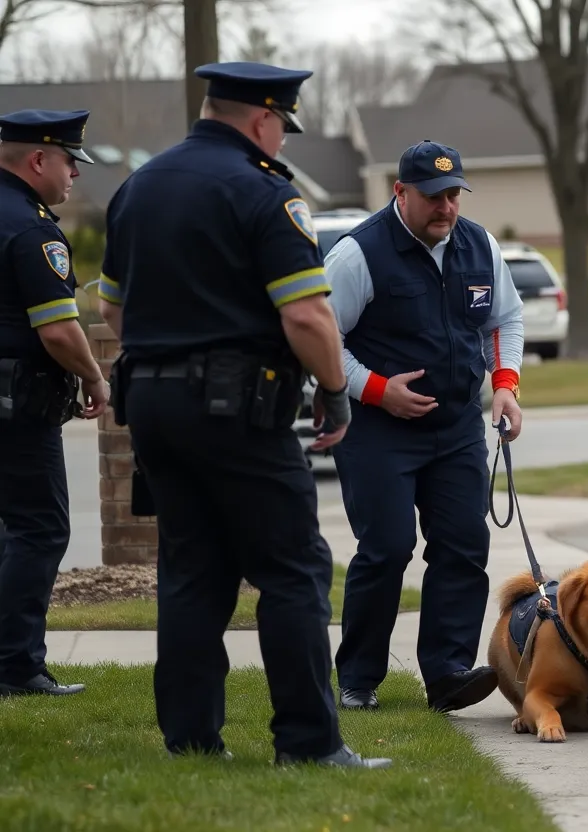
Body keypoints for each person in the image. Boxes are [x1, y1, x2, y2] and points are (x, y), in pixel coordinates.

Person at [95, 61, 389, 769]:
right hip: (235, 405)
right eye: (282, 129)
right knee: (292, 568)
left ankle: (192, 741)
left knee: (193, 569)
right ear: (263, 119)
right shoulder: (264, 194)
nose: (283, 143)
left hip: (154, 403)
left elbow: (110, 306)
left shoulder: (139, 186)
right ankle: (311, 745)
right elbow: (310, 317)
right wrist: (333, 389)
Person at [323, 139, 524, 714]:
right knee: (387, 548)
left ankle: (448, 672)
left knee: (463, 545)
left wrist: (506, 387)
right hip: (377, 429)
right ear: (400, 193)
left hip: (457, 423)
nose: (446, 207)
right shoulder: (357, 255)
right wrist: (379, 391)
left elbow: (504, 320)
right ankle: (358, 677)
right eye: (433, 197)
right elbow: (319, 342)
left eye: (454, 194)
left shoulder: (478, 245)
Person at [0, 109, 109, 698]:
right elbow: (60, 331)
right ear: (38, 160)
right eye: (70, 162)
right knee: (39, 529)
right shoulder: (31, 228)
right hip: (16, 408)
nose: (74, 175)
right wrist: (95, 378)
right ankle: (16, 666)